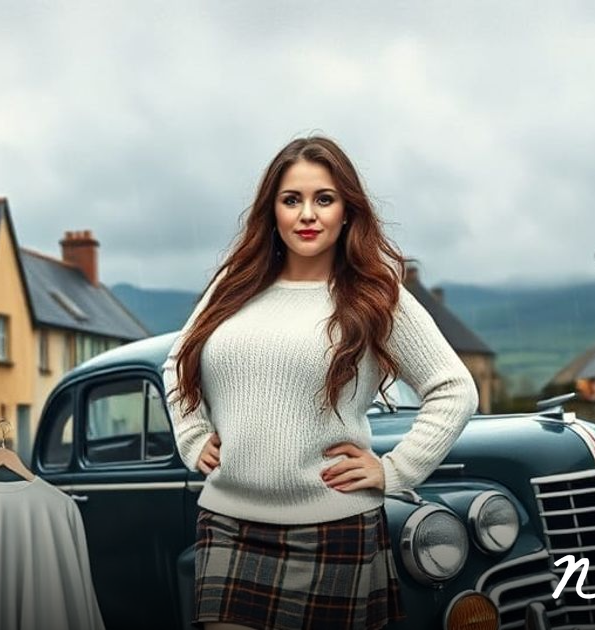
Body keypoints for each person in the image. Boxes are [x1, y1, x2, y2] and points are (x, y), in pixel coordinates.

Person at [161, 135, 480, 630]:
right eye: (292, 200)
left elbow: (454, 387)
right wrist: (192, 435)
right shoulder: (233, 284)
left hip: (333, 529)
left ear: (347, 211)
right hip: (227, 523)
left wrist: (395, 470)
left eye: (323, 199)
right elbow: (178, 362)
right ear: (273, 212)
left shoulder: (375, 296)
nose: (307, 214)